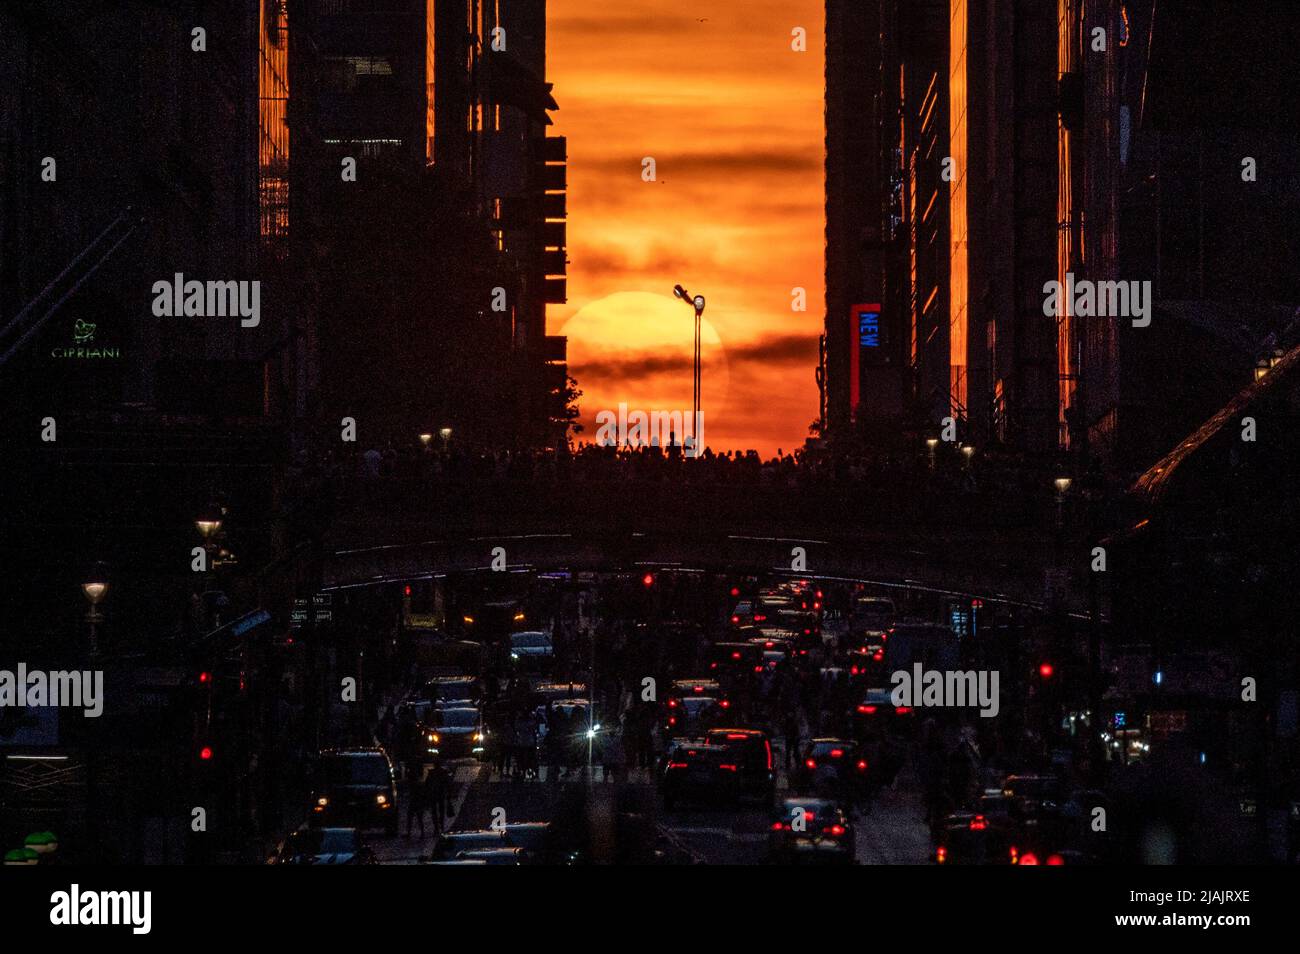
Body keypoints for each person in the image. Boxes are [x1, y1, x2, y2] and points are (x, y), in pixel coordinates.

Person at [406, 765, 432, 838]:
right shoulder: (418, 784)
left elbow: (420, 794)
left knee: (413, 817)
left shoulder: (416, 784)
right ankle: (420, 833)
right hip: (417, 802)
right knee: (417, 818)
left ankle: (412, 833)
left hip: (416, 802)